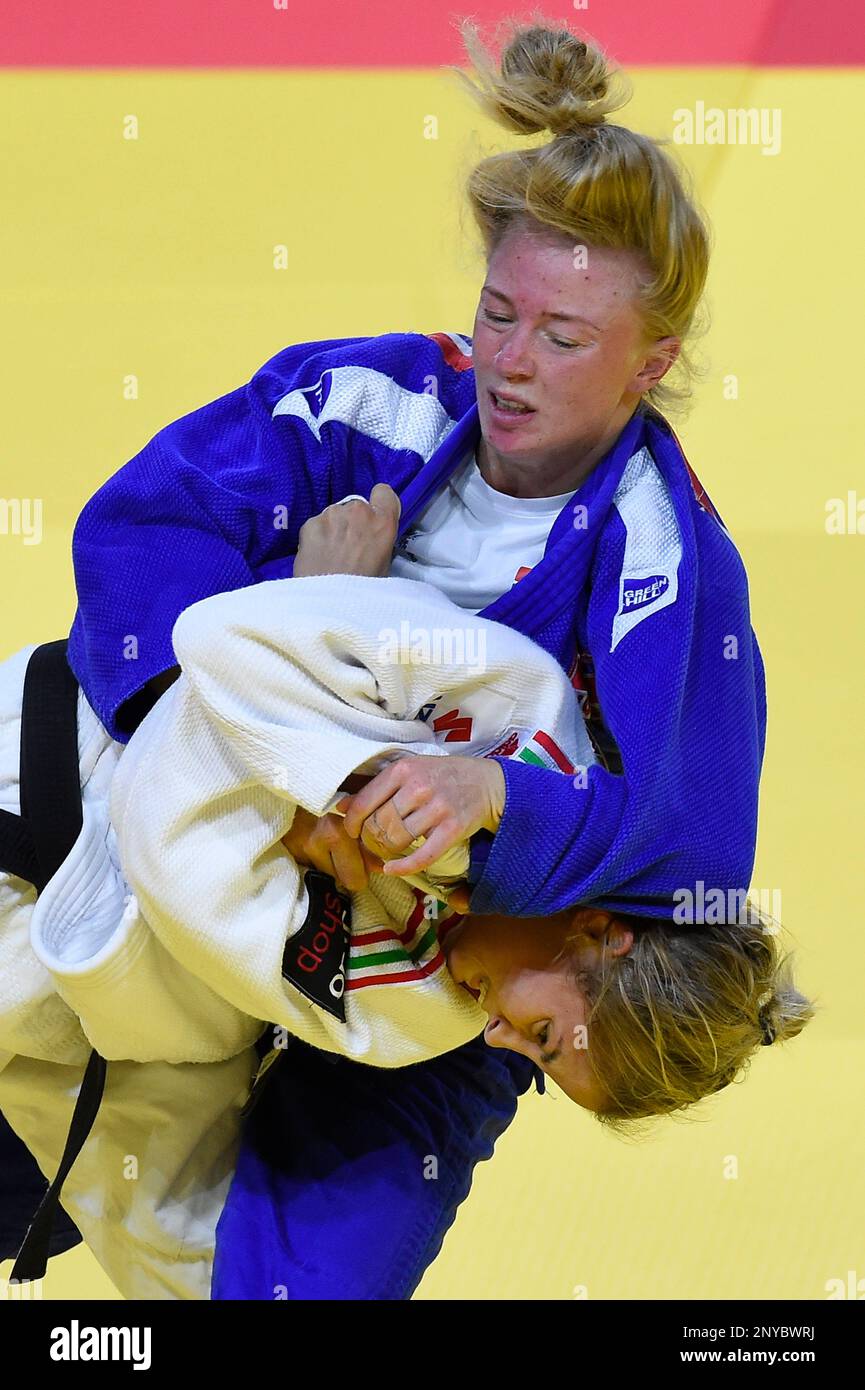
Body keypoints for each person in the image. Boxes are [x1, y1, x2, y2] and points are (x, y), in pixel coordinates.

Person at [0, 18, 799, 1299]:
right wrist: (275, 703)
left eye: (564, 338)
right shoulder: (366, 400)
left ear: (652, 363)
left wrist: (491, 804)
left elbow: (679, 841)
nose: (512, 365)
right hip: (201, 825)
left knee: (311, 1291)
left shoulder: (667, 556)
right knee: (64, 1061)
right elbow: (143, 527)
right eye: (499, 314)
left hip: (469, 981)